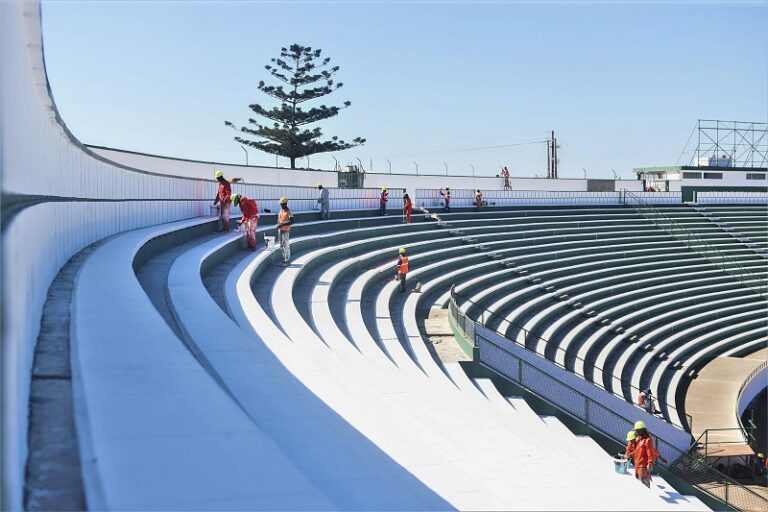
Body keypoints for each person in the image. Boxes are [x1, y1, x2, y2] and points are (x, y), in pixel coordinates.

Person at [632, 421, 657, 488]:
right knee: (638, 485)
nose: (636, 432)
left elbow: (650, 453)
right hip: (637, 465)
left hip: (643, 467)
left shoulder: (648, 440)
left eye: (637, 430)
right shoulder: (639, 438)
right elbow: (636, 449)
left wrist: (650, 463)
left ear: (642, 430)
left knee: (644, 486)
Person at [276, 197, 294, 266]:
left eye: (282, 204)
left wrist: (282, 224)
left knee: (286, 245)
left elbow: (292, 221)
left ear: (286, 204)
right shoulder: (281, 210)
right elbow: (279, 219)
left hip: (286, 230)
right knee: (281, 245)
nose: (281, 205)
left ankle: (287, 261)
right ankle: (284, 259)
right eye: (281, 204)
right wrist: (278, 224)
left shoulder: (289, 211)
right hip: (280, 230)